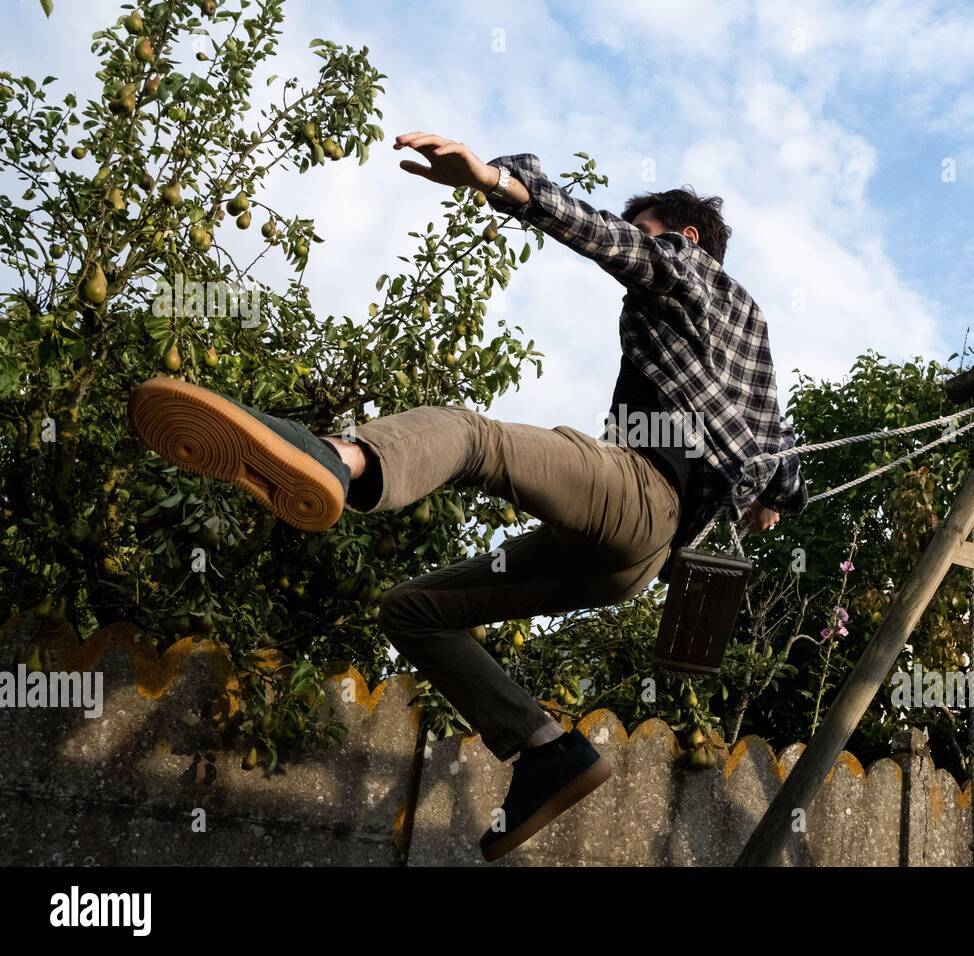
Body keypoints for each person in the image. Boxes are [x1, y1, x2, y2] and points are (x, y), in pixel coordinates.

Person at [127, 131, 809, 862]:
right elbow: (781, 460)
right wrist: (770, 500)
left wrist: (498, 181)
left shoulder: (683, 263)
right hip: (630, 565)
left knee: (470, 437)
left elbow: (625, 248)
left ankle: (334, 457)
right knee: (413, 612)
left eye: (649, 227)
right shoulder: (754, 334)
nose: (643, 246)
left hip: (640, 496)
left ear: (685, 233)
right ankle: (548, 750)